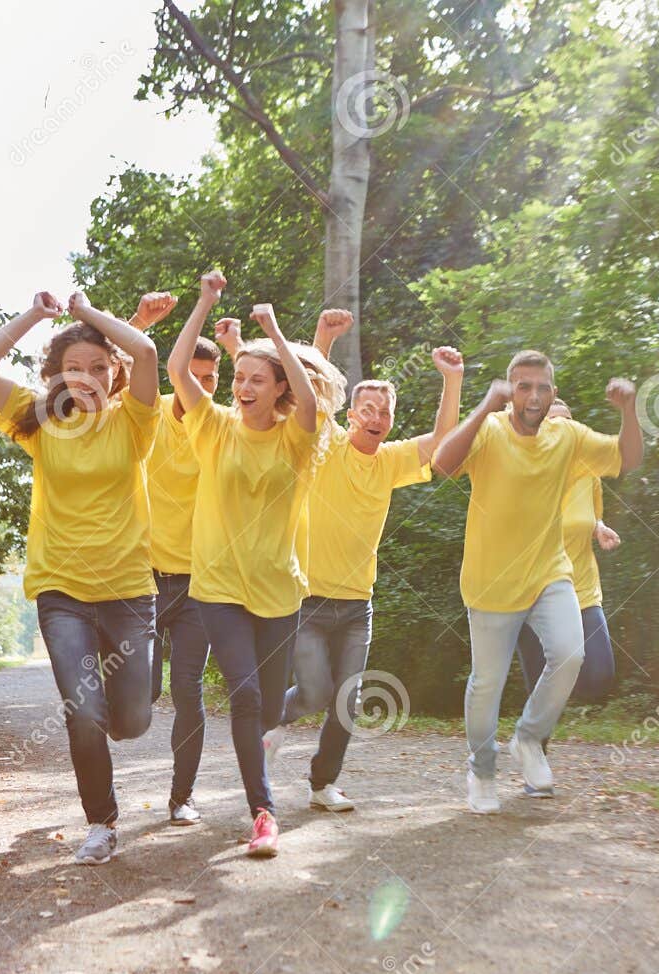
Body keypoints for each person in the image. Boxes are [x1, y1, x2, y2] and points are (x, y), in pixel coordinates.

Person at [0, 290, 161, 865]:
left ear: (114, 374)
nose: (87, 378)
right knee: (83, 711)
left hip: (128, 589)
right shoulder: (40, 420)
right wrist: (35, 314)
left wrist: (86, 313)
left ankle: (120, 714)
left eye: (99, 367)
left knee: (132, 720)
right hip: (62, 591)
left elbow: (147, 352)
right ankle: (101, 822)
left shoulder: (134, 421)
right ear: (55, 376)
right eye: (74, 368)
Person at [165, 270, 344, 857]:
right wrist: (204, 300)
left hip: (278, 591)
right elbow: (176, 368)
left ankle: (260, 764)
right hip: (217, 588)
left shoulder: (297, 438)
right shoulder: (215, 427)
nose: (242, 387)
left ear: (278, 388)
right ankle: (263, 814)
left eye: (255, 379)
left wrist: (272, 330)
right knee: (243, 697)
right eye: (238, 377)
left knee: (266, 707)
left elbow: (310, 399)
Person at [432, 351, 643, 814]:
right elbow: (442, 465)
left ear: (553, 393)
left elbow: (627, 457)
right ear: (510, 390)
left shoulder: (566, 435)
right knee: (486, 684)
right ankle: (481, 771)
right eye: (523, 386)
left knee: (571, 654)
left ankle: (528, 739)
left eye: (542, 387)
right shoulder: (489, 430)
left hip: (549, 572)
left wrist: (629, 410)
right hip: (491, 582)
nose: (533, 395)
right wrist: (484, 406)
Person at [274, 309, 464, 812]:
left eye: (385, 411)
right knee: (313, 693)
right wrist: (323, 338)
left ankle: (322, 784)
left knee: (348, 701)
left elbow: (443, 439)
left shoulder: (392, 461)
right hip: (308, 599)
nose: (376, 417)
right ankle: (266, 722)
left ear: (391, 421)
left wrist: (453, 379)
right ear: (351, 415)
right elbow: (311, 394)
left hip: (358, 604)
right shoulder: (327, 446)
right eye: (367, 409)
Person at [129, 291, 215, 827]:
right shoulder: (149, 412)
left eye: (210, 379)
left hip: (198, 583)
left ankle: (182, 797)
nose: (200, 386)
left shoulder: (220, 425)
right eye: (192, 375)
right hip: (143, 577)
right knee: (141, 696)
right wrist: (139, 321)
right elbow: (108, 371)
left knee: (188, 689)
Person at [514, 400, 620, 761]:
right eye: (553, 425)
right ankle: (535, 760)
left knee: (599, 674)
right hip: (532, 592)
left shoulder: (589, 469)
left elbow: (590, 513)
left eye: (569, 425)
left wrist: (598, 527)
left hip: (581, 589)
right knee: (537, 681)